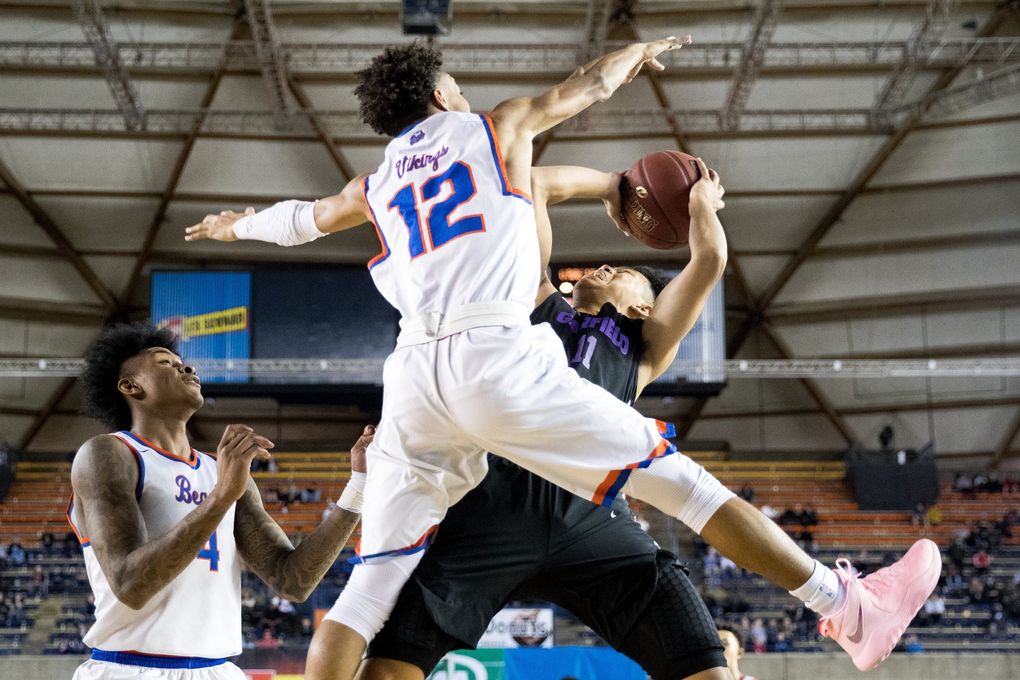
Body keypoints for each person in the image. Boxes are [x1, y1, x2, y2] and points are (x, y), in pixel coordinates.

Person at [187, 41, 940, 675]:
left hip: (415, 375)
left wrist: (233, 227)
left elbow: (300, 222)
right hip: (495, 358)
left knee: (368, 590)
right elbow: (586, 87)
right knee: (684, 483)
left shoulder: (376, 181)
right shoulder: (493, 127)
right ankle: (848, 610)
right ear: (446, 93)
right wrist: (634, 57)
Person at [317, 163, 731, 680]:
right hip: (488, 508)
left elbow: (710, 258)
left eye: (621, 273)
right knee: (384, 670)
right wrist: (610, 186)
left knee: (707, 669)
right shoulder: (531, 305)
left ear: (646, 308)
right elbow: (531, 184)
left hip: (591, 520)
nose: (604, 268)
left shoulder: (644, 347)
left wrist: (699, 204)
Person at [67, 324, 368, 679]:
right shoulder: (108, 454)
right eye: (165, 363)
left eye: (183, 363)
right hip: (130, 667)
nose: (186, 368)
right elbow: (130, 585)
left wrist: (360, 484)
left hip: (217, 670)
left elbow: (293, 581)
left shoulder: (220, 470)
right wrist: (222, 496)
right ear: (131, 386)